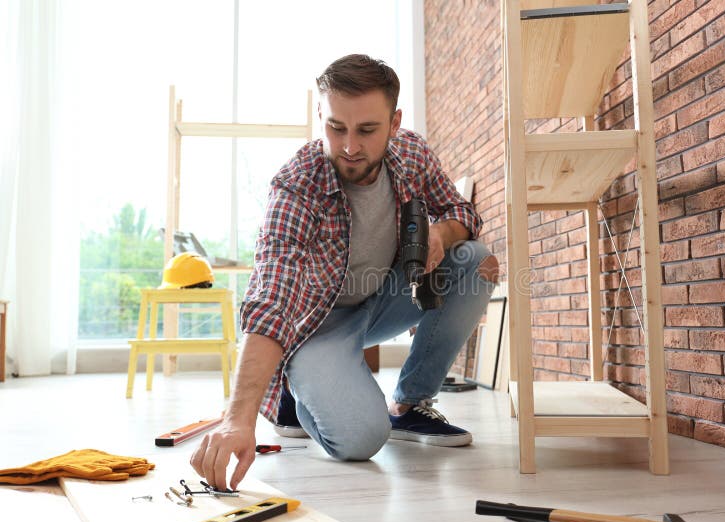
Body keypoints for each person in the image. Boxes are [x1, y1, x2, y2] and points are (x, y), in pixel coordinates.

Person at [191, 54, 499, 491]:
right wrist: (236, 420)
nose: (350, 146)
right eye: (336, 128)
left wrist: (441, 233)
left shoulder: (412, 154)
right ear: (321, 116)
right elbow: (270, 297)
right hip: (317, 326)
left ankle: (410, 405)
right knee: (360, 440)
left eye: (367, 130)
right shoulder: (299, 185)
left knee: (475, 260)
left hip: (383, 302)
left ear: (394, 124)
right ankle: (295, 396)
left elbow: (459, 209)